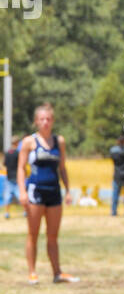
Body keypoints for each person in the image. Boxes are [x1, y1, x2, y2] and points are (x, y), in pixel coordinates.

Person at [17, 102, 78, 283]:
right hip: (35, 192)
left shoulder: (59, 141)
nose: (45, 122)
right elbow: (21, 168)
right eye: (42, 119)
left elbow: (62, 168)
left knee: (53, 235)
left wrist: (67, 190)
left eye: (48, 119)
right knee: (33, 233)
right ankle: (32, 272)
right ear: (36, 121)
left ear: (53, 121)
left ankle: (57, 273)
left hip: (54, 191)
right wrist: (22, 191)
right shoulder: (29, 142)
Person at [3, 134, 23, 217]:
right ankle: (25, 212)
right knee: (21, 194)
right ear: (17, 143)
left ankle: (7, 213)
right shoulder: (18, 153)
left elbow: (4, 164)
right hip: (18, 177)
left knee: (8, 196)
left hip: (9, 177)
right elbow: (22, 164)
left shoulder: (7, 153)